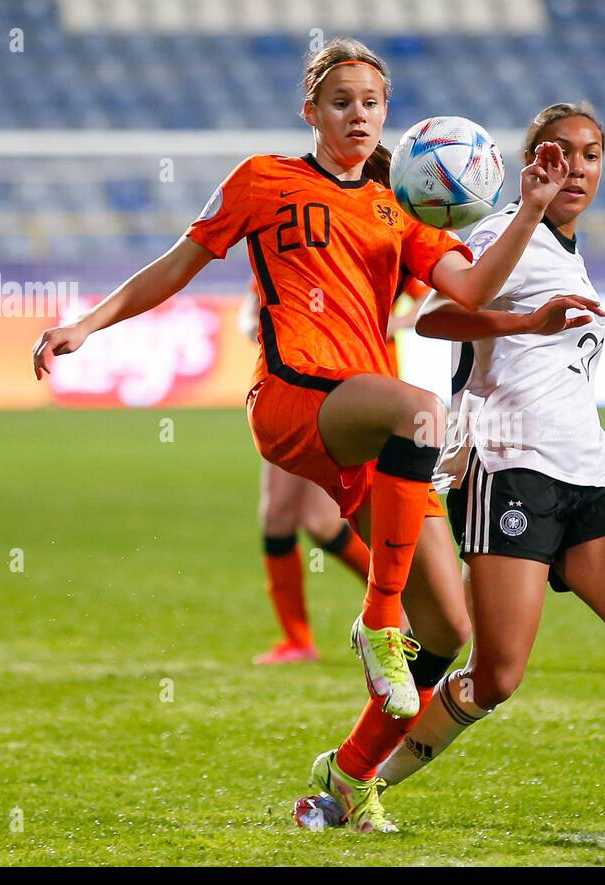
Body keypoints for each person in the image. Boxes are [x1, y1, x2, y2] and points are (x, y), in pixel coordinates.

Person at [34, 37, 570, 831]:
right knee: (423, 411)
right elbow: (178, 264)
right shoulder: (263, 180)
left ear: (388, 113)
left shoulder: (401, 205)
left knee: (452, 630)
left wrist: (527, 209)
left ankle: (348, 779)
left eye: (373, 103)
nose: (360, 115)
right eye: (342, 102)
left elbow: (470, 286)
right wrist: (89, 323)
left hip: (367, 431)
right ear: (311, 112)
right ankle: (376, 618)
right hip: (292, 399)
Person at [302, 103, 605, 831]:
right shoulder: (508, 229)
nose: (576, 168)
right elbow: (436, 316)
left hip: (587, 475)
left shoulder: (567, 252)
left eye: (591, 155)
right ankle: (353, 775)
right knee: (497, 675)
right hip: (510, 468)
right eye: (559, 153)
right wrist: (523, 322)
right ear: (531, 162)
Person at [239, 285, 426, 666]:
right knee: (278, 515)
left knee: (322, 523)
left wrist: (395, 322)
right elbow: (250, 307)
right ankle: (298, 640)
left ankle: (403, 608)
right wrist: (257, 325)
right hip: (295, 384)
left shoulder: (387, 235)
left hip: (356, 388)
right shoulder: (292, 247)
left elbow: (435, 293)